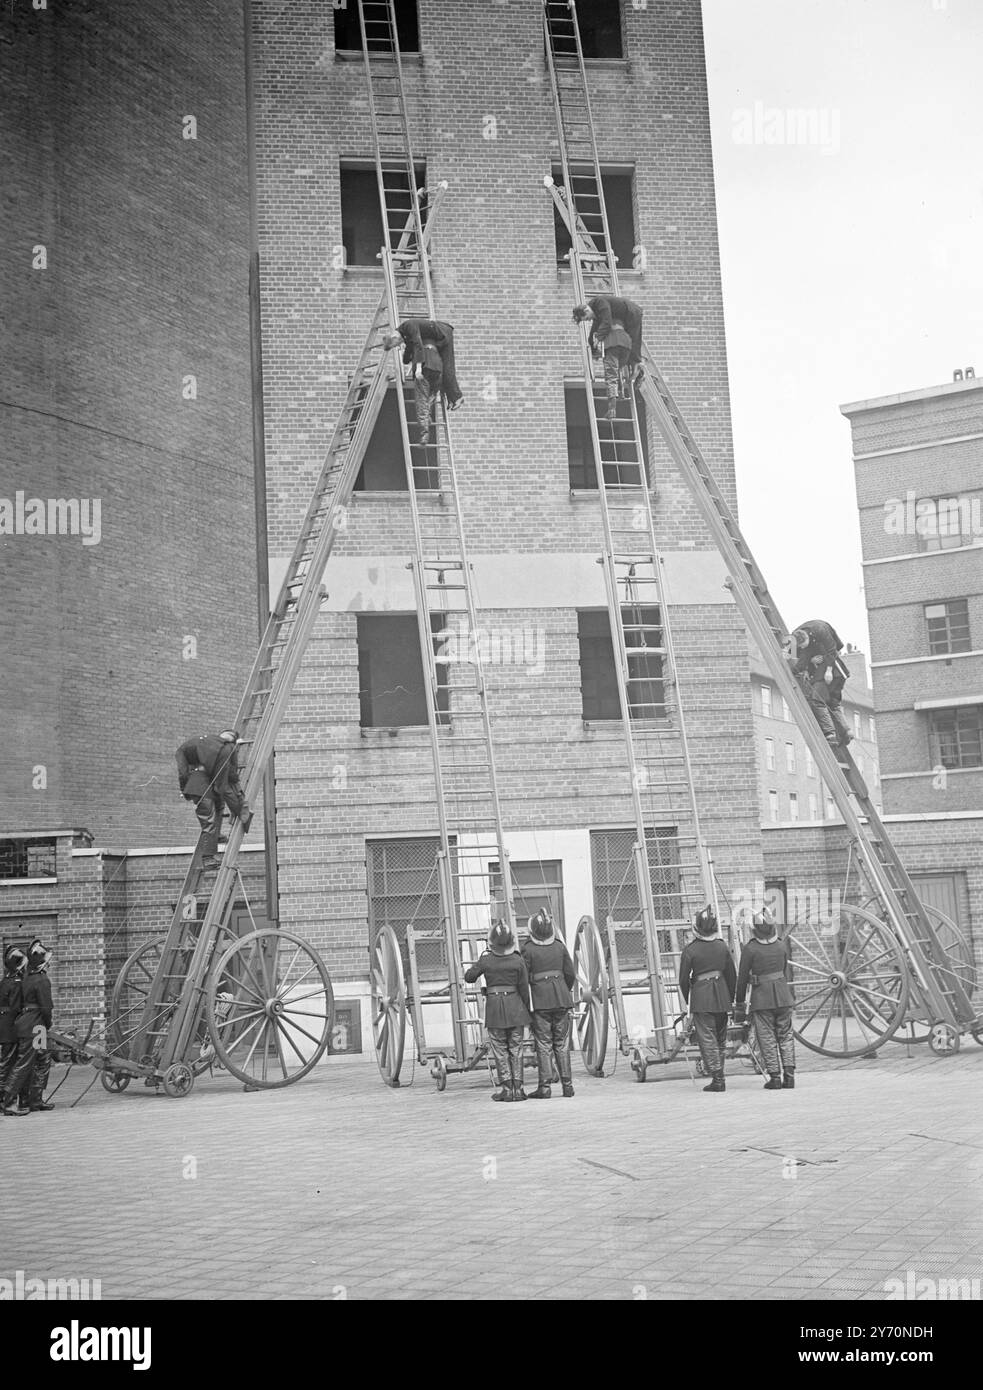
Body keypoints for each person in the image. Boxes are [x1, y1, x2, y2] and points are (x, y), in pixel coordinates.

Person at [464, 921, 532, 1102]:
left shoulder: (486, 959)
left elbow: (469, 977)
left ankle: (507, 1089)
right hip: (516, 1007)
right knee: (516, 1049)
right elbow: (524, 988)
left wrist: (480, 961)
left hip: (494, 1008)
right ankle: (519, 1089)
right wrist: (525, 1008)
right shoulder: (518, 959)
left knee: (500, 1050)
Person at [677, 905, 737, 1093]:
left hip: (701, 998)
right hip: (722, 996)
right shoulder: (722, 946)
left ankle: (718, 1079)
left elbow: (683, 979)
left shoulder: (690, 950)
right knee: (720, 1038)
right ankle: (719, 1075)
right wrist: (731, 997)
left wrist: (688, 1001)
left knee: (707, 1038)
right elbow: (731, 975)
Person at [734, 910, 796, 1090]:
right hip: (783, 997)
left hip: (762, 999)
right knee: (786, 1036)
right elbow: (784, 969)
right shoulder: (781, 945)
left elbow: (742, 978)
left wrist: (739, 1003)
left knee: (767, 1038)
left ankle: (775, 1078)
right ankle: (790, 1077)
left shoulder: (750, 948)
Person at [175, 729, 253, 871]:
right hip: (200, 786)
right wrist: (238, 809)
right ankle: (208, 859)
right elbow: (224, 783)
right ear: (233, 741)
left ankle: (215, 836)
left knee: (219, 805)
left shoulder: (202, 741)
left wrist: (185, 788)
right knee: (208, 821)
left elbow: (182, 770)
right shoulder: (226, 749)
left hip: (200, 784)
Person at [520, 909, 576, 1099]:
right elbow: (570, 974)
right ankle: (567, 1086)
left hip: (540, 1001)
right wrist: (562, 990)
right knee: (561, 1043)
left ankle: (544, 1087)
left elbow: (523, 978)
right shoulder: (560, 947)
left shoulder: (527, 949)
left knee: (543, 1044)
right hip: (561, 999)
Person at [383, 319, 463, 446]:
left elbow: (418, 344)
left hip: (444, 334)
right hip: (436, 353)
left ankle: (457, 397)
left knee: (448, 366)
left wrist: (418, 368)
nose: (398, 345)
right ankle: (434, 412)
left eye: (396, 344)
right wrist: (404, 351)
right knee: (437, 380)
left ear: (394, 337)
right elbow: (407, 357)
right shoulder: (406, 336)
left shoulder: (409, 326)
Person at [573, 296, 644, 419]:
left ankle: (639, 370)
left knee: (634, 345)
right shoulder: (596, 311)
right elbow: (595, 329)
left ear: (586, 310)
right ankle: (630, 380)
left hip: (632, 315)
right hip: (623, 335)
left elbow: (607, 321)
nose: (589, 320)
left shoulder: (600, 303)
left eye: (586, 318)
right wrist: (593, 345)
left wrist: (599, 338)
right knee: (623, 357)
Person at [6, 939, 55, 1114]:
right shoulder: (41, 980)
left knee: (42, 1059)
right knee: (25, 1064)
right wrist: (48, 1024)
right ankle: (8, 1102)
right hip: (36, 1026)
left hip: (32, 1024)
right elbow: (46, 1008)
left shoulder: (27, 976)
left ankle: (35, 1101)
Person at [789, 619, 852, 745]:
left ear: (807, 639)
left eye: (803, 646)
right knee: (833, 703)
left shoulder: (820, 631)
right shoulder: (799, 641)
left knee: (817, 701)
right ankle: (846, 731)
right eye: (799, 647)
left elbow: (833, 649)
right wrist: (801, 668)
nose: (802, 648)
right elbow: (802, 658)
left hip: (831, 673)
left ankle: (830, 734)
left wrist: (828, 670)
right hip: (840, 674)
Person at [0, 946, 27, 1112]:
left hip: (4, 1027)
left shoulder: (4, 982)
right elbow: (17, 1008)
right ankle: (6, 1101)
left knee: (5, 1063)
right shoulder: (16, 984)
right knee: (9, 1065)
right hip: (12, 1029)